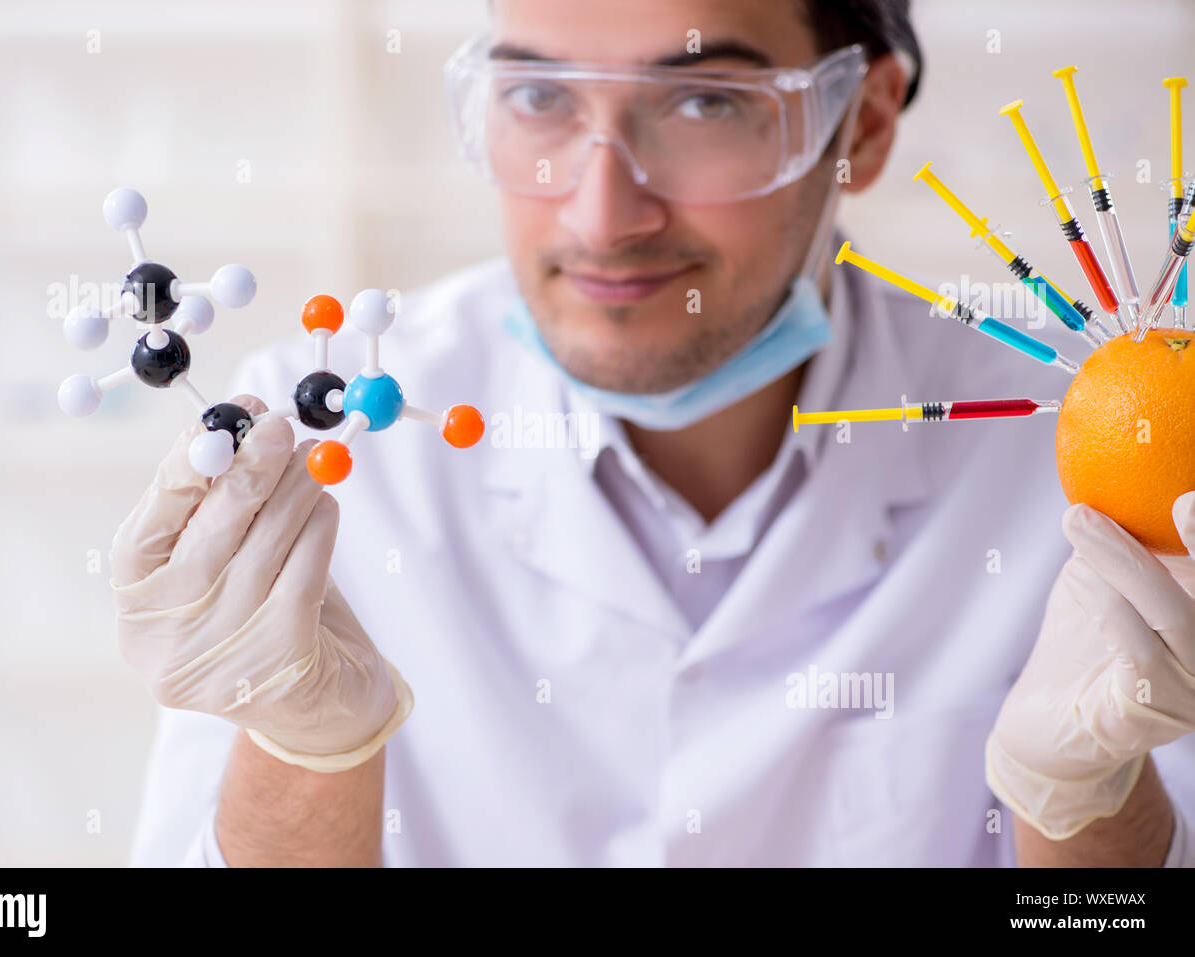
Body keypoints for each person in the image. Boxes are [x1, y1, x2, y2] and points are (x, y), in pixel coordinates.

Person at [115, 0, 1195, 866]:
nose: (599, 214)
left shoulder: (1098, 454)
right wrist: (305, 753)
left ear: (858, 125)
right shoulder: (319, 429)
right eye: (537, 94)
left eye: (703, 104)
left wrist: (1087, 805)